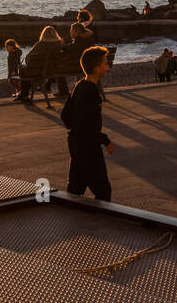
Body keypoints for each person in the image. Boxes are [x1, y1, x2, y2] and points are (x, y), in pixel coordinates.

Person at [60, 46, 115, 201]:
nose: (107, 66)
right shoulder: (91, 93)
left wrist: (74, 131)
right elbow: (89, 125)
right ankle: (101, 222)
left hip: (75, 142)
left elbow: (65, 115)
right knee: (103, 190)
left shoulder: (79, 85)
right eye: (105, 63)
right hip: (88, 147)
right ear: (97, 68)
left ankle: (72, 218)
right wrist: (105, 140)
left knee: (76, 187)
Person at [19, 26, 64, 104]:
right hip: (54, 70)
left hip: (38, 70)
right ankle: (62, 90)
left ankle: (24, 94)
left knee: (23, 70)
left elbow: (28, 59)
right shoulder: (58, 44)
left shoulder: (40, 44)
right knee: (31, 70)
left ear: (43, 34)